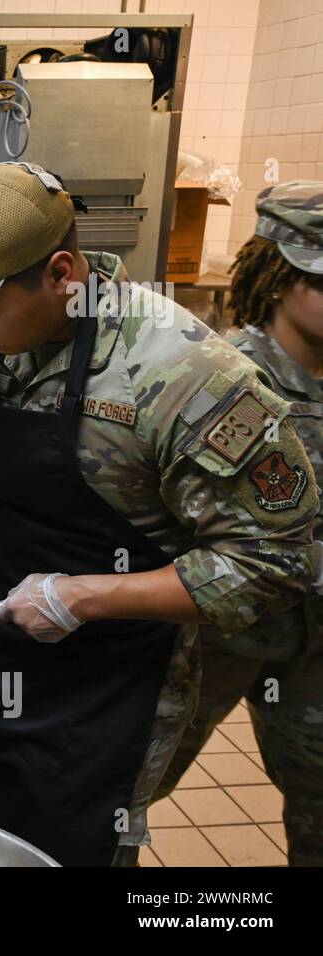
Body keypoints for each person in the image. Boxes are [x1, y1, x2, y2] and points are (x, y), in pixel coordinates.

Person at [0, 162, 317, 866]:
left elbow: (273, 561)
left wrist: (84, 597)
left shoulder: (185, 376)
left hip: (112, 689)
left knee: (71, 843)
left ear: (62, 273)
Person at [151, 181, 323, 866]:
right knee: (137, 781)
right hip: (218, 636)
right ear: (280, 278)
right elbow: (180, 523)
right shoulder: (225, 376)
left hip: (311, 644)